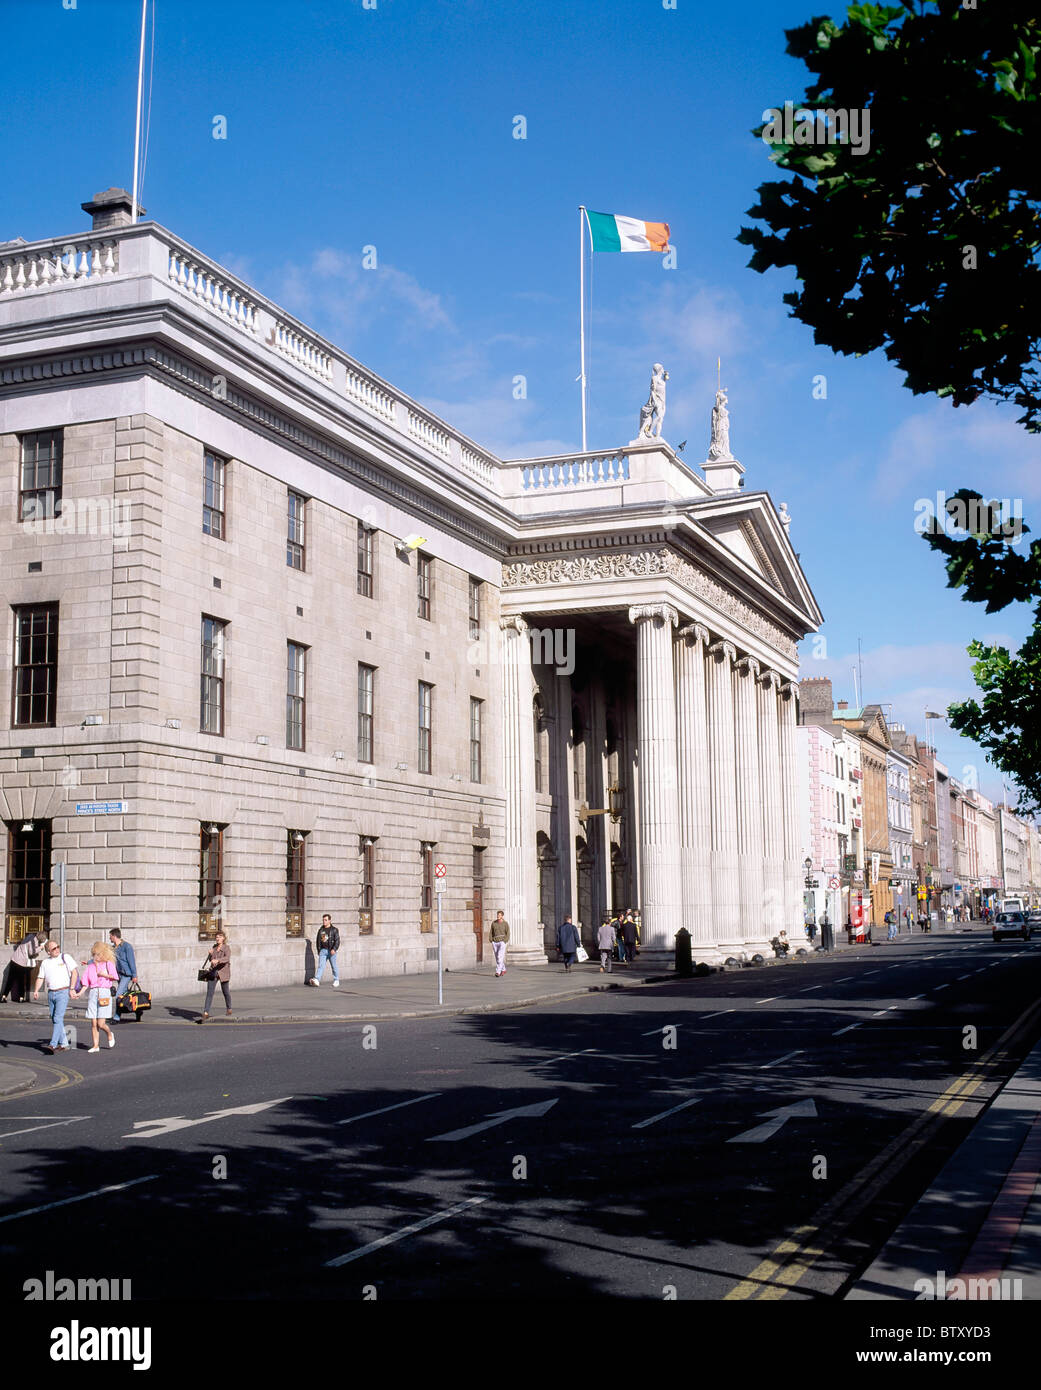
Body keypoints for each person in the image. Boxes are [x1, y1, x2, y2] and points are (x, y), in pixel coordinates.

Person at [32, 939, 80, 1053]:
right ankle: (64, 1043)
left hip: (63, 992)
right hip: (51, 993)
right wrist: (36, 990)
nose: (57, 949)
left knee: (58, 1018)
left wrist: (72, 988)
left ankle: (52, 1045)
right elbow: (40, 977)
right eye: (54, 948)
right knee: (55, 1019)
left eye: (57, 947)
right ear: (48, 951)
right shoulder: (45, 962)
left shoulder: (65, 957)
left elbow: (75, 972)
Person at [71, 942, 118, 1053]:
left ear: (103, 954)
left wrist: (104, 975)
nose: (95, 957)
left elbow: (115, 977)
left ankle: (109, 1034)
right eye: (94, 954)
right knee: (93, 1023)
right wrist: (79, 993)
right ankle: (95, 1045)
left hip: (104, 993)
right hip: (93, 993)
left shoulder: (108, 964)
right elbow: (86, 983)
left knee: (100, 1023)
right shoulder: (91, 966)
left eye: (97, 954)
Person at [2, 928, 48, 1003]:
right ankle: (21, 998)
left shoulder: (29, 936)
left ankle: (4, 996)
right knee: (21, 980)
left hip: (14, 960)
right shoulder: (34, 941)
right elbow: (31, 952)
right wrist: (41, 948)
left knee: (10, 980)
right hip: (21, 962)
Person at [198, 930, 232, 1021]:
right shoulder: (214, 947)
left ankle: (229, 1008)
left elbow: (227, 958)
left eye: (220, 937)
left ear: (223, 938)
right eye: (217, 937)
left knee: (225, 992)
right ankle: (206, 1012)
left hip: (223, 972)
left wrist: (218, 960)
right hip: (213, 972)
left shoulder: (226, 948)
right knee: (210, 992)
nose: (218, 938)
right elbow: (211, 960)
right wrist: (210, 954)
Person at [108, 928, 138, 1023]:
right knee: (125, 997)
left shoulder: (127, 946)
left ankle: (116, 1017)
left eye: (110, 936)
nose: (109, 938)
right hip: (119, 974)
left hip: (126, 974)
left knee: (118, 995)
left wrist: (134, 975)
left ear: (114, 936)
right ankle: (137, 1011)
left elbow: (131, 961)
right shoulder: (113, 948)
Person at [310, 914, 340, 988]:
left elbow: (337, 941)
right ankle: (317, 980)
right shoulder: (321, 930)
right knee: (321, 966)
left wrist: (334, 949)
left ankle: (336, 980)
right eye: (323, 920)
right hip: (323, 951)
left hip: (331, 951)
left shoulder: (334, 930)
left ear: (329, 920)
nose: (324, 921)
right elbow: (318, 941)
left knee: (334, 966)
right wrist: (319, 950)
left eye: (326, 920)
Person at [489, 911, 510, 978]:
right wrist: (491, 940)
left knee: (500, 957)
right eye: (497, 915)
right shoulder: (494, 923)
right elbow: (491, 932)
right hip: (495, 941)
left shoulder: (505, 923)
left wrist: (505, 941)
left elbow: (508, 932)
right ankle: (503, 969)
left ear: (502, 916)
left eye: (499, 915)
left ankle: (498, 972)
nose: (498, 916)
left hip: (502, 942)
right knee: (497, 957)